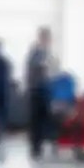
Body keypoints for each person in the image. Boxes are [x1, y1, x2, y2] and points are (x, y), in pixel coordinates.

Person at [25, 27, 54, 160]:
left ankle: (39, 146)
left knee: (43, 120)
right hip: (36, 91)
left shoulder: (45, 52)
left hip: (43, 90)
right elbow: (37, 70)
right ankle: (35, 148)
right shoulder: (36, 52)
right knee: (36, 120)